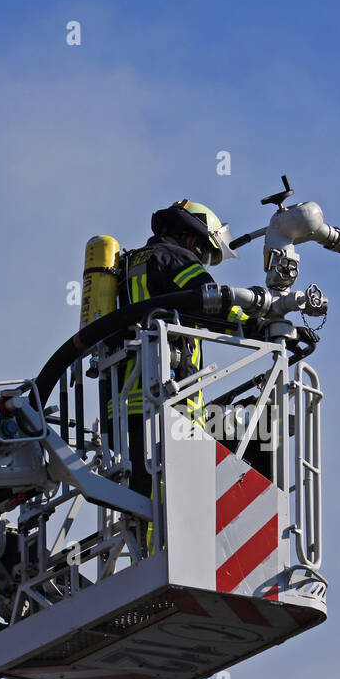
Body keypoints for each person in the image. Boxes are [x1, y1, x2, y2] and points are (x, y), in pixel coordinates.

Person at [105, 200, 250, 545]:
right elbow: (212, 303)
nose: (203, 259)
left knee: (141, 487)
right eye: (204, 251)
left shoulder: (131, 263)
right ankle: (165, 558)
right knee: (171, 484)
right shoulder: (176, 259)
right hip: (168, 396)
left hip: (124, 401)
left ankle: (144, 551)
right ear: (192, 239)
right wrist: (259, 321)